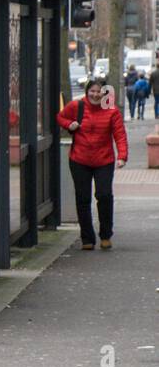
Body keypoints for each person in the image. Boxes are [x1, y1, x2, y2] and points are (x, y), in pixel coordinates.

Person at [56, 77, 127, 250]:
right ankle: (87, 238)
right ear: (87, 92)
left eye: (99, 91)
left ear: (105, 92)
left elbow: (119, 134)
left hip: (104, 160)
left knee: (103, 195)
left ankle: (105, 235)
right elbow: (60, 117)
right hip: (79, 159)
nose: (95, 95)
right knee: (83, 198)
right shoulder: (76, 106)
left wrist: (122, 156)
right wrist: (69, 125)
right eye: (92, 91)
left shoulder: (111, 110)